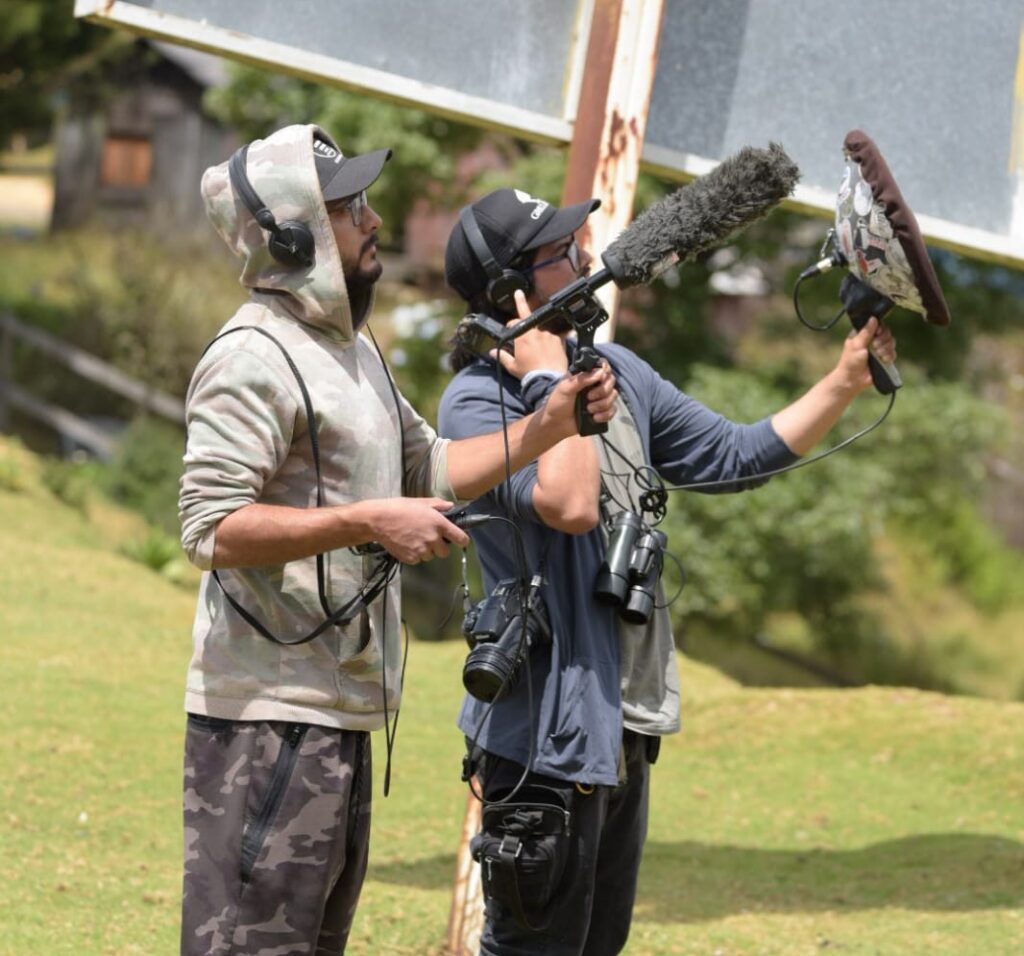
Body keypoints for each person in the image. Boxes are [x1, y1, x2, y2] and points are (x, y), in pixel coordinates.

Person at [177, 127, 616, 956]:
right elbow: (208, 526)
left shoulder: (354, 350)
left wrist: (549, 424)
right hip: (265, 719)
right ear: (292, 234)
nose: (374, 220)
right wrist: (371, 520)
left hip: (339, 710)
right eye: (349, 208)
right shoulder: (251, 357)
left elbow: (433, 466)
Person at [438, 187, 898, 956]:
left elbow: (735, 456)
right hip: (542, 744)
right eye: (560, 254)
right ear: (511, 290)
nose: (585, 260)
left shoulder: (618, 369)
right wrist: (553, 387)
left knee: (598, 946)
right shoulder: (478, 402)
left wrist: (846, 378)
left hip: (622, 730)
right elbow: (572, 505)